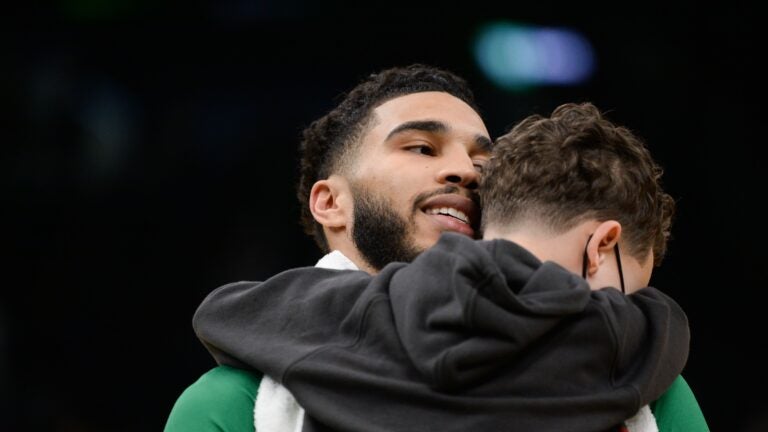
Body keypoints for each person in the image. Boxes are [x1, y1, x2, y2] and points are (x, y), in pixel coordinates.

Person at [164, 66, 708, 431]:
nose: (466, 171)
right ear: (330, 202)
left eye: (484, 161)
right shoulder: (234, 406)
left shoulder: (644, 382)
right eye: (421, 147)